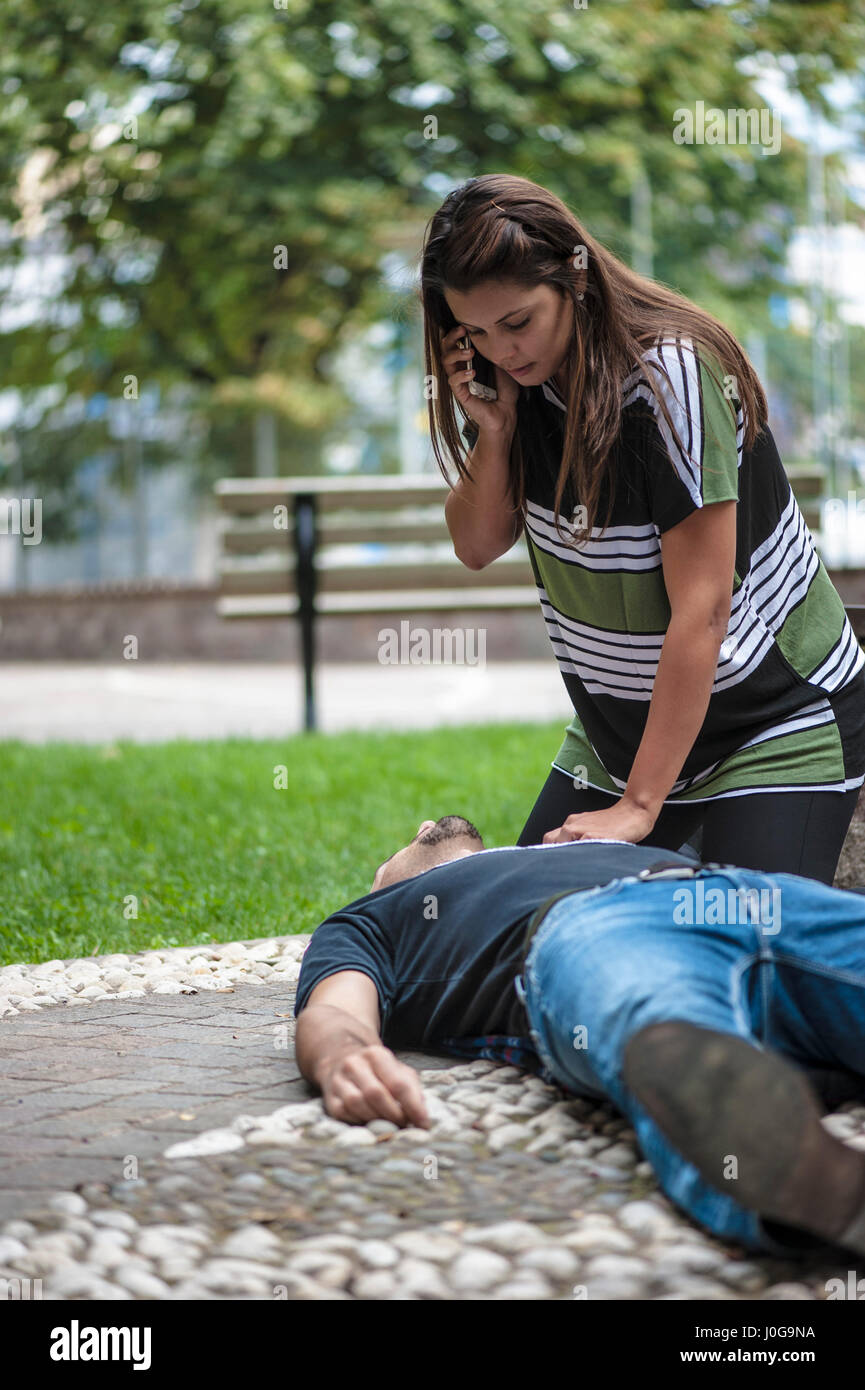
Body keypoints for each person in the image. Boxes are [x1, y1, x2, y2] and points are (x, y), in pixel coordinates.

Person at [418, 174, 865, 884]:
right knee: (520, 944)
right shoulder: (522, 387)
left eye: (516, 322)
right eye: (473, 332)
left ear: (575, 276)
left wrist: (638, 806)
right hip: (616, 740)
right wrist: (495, 434)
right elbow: (475, 546)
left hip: (771, 725)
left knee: (747, 956)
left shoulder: (672, 375)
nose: (500, 350)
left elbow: (703, 608)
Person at [294, 815, 865, 1258]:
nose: (422, 827)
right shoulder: (368, 919)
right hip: (591, 930)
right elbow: (333, 1011)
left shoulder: (569, 842)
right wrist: (345, 1055)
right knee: (663, 1026)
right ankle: (803, 1174)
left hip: (742, 892)